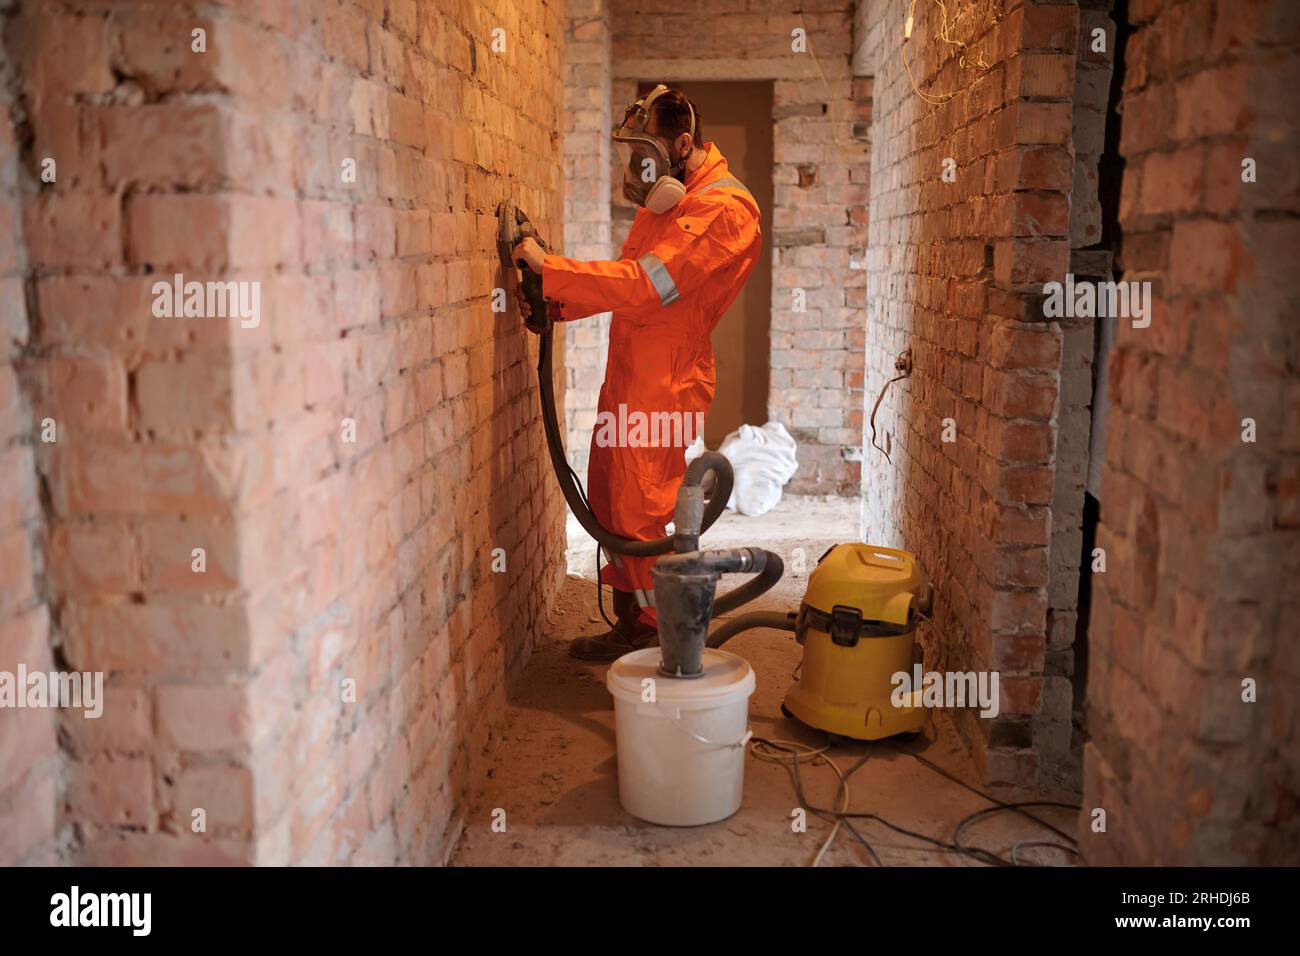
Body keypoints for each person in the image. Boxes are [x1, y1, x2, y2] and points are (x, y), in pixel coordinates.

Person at [512, 84, 762, 661]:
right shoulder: (669, 204)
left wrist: (551, 271)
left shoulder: (722, 210)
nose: (637, 165)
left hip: (666, 376)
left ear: (681, 144)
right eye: (632, 152)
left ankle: (657, 631)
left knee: (644, 506)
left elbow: (648, 287)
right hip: (632, 364)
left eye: (646, 152)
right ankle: (631, 624)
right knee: (612, 492)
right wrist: (558, 302)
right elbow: (629, 279)